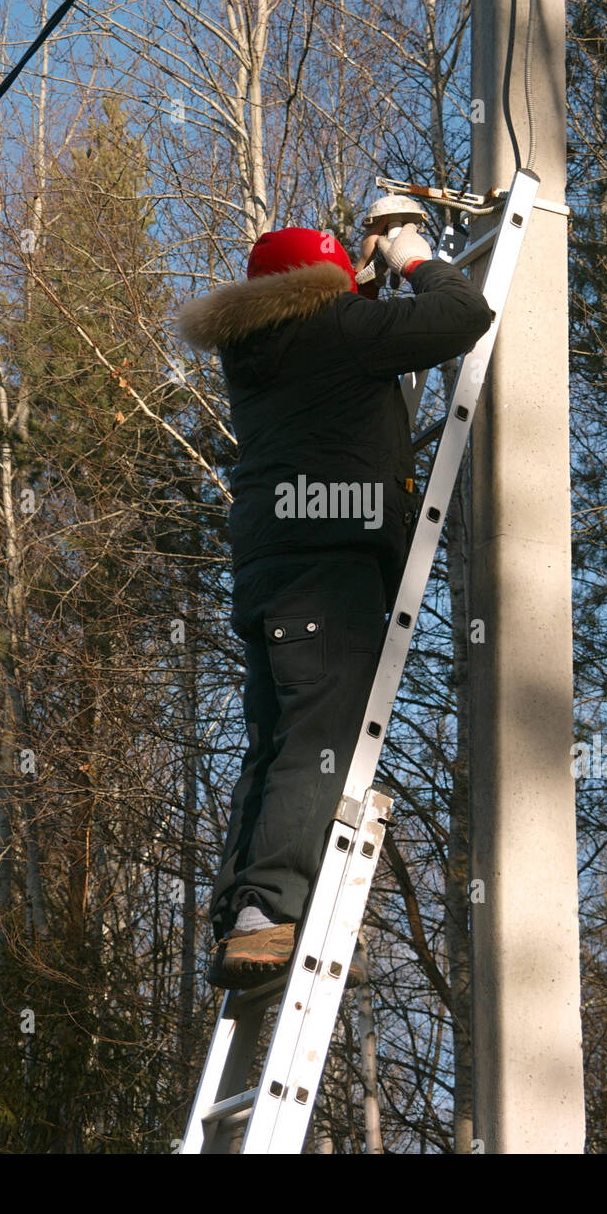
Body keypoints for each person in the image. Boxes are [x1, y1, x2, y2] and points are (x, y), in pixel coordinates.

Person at [174, 213, 494, 988]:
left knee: (278, 739)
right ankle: (266, 914)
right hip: (328, 567)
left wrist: (371, 288)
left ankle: (243, 912)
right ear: (324, 285)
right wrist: (415, 258)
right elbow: (462, 316)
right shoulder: (337, 325)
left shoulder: (262, 348)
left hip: (272, 568)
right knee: (320, 737)